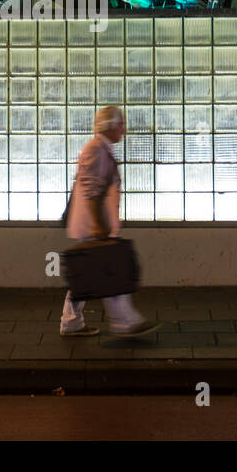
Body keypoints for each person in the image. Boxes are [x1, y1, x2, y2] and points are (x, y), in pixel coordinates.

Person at [59, 105, 160, 338]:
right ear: (110, 126)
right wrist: (99, 224)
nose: (123, 130)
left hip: (95, 224)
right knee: (110, 270)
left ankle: (72, 323)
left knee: (90, 273)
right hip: (95, 225)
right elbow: (92, 190)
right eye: (120, 124)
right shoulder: (96, 149)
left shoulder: (101, 148)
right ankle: (126, 322)